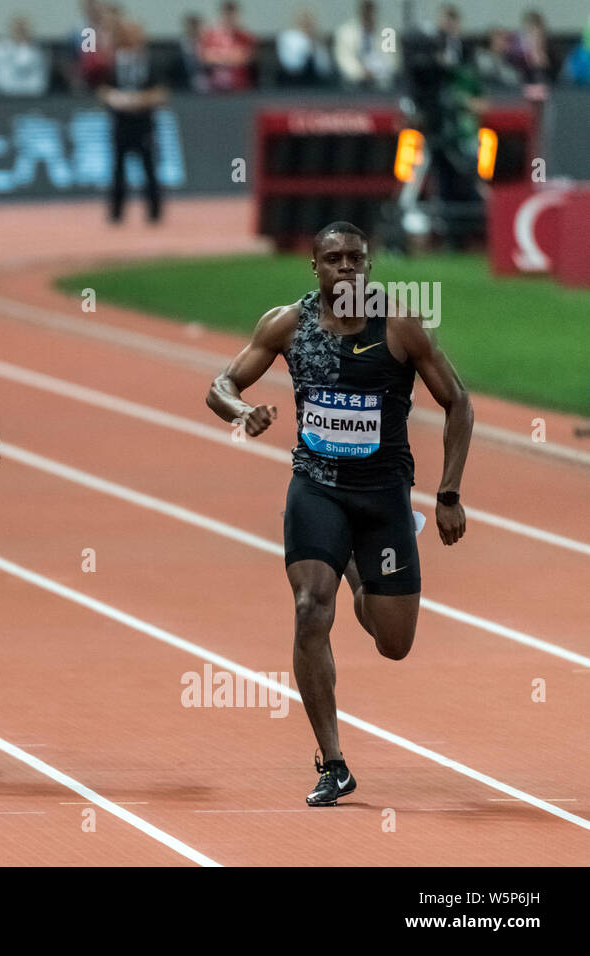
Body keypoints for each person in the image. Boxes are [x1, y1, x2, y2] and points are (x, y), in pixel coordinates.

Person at [205, 222, 473, 806]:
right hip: (317, 489)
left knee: (392, 642)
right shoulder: (286, 324)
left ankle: (357, 568)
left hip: (383, 499)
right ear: (316, 268)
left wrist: (448, 494)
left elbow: (458, 402)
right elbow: (220, 384)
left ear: (370, 265)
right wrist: (240, 410)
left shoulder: (399, 326)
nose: (346, 268)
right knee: (309, 609)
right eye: (334, 259)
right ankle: (333, 761)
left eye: (356, 257)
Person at [97, 19, 165, 223]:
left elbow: (160, 92)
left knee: (149, 169)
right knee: (118, 170)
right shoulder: (113, 62)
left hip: (144, 122)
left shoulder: (150, 62)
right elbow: (103, 91)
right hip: (121, 123)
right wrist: (119, 100)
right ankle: (116, 212)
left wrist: (140, 100)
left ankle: (154, 212)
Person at [333, 0, 399, 89]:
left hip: (382, 84)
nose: (368, 15)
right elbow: (344, 60)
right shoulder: (345, 33)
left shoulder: (387, 32)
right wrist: (362, 73)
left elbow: (393, 62)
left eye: (371, 11)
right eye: (365, 11)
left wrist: (376, 72)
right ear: (360, 12)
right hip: (353, 84)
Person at [199, 0, 257, 92]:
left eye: (232, 14)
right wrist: (231, 56)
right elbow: (205, 58)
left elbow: (244, 58)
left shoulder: (245, 36)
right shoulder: (210, 36)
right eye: (226, 14)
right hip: (215, 87)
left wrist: (218, 55)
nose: (229, 17)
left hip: (240, 85)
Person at [0, 16, 50, 96]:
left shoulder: (37, 49)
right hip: (6, 94)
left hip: (32, 95)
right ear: (11, 29)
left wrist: (25, 46)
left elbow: (39, 80)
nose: (20, 32)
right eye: (18, 29)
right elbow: (2, 76)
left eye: (23, 29)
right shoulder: (1, 47)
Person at [276, 8, 334, 87]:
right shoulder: (288, 37)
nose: (307, 23)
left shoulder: (317, 40)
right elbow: (292, 64)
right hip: (293, 80)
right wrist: (307, 44)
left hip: (316, 81)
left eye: (310, 21)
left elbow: (325, 68)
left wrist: (314, 42)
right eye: (304, 20)